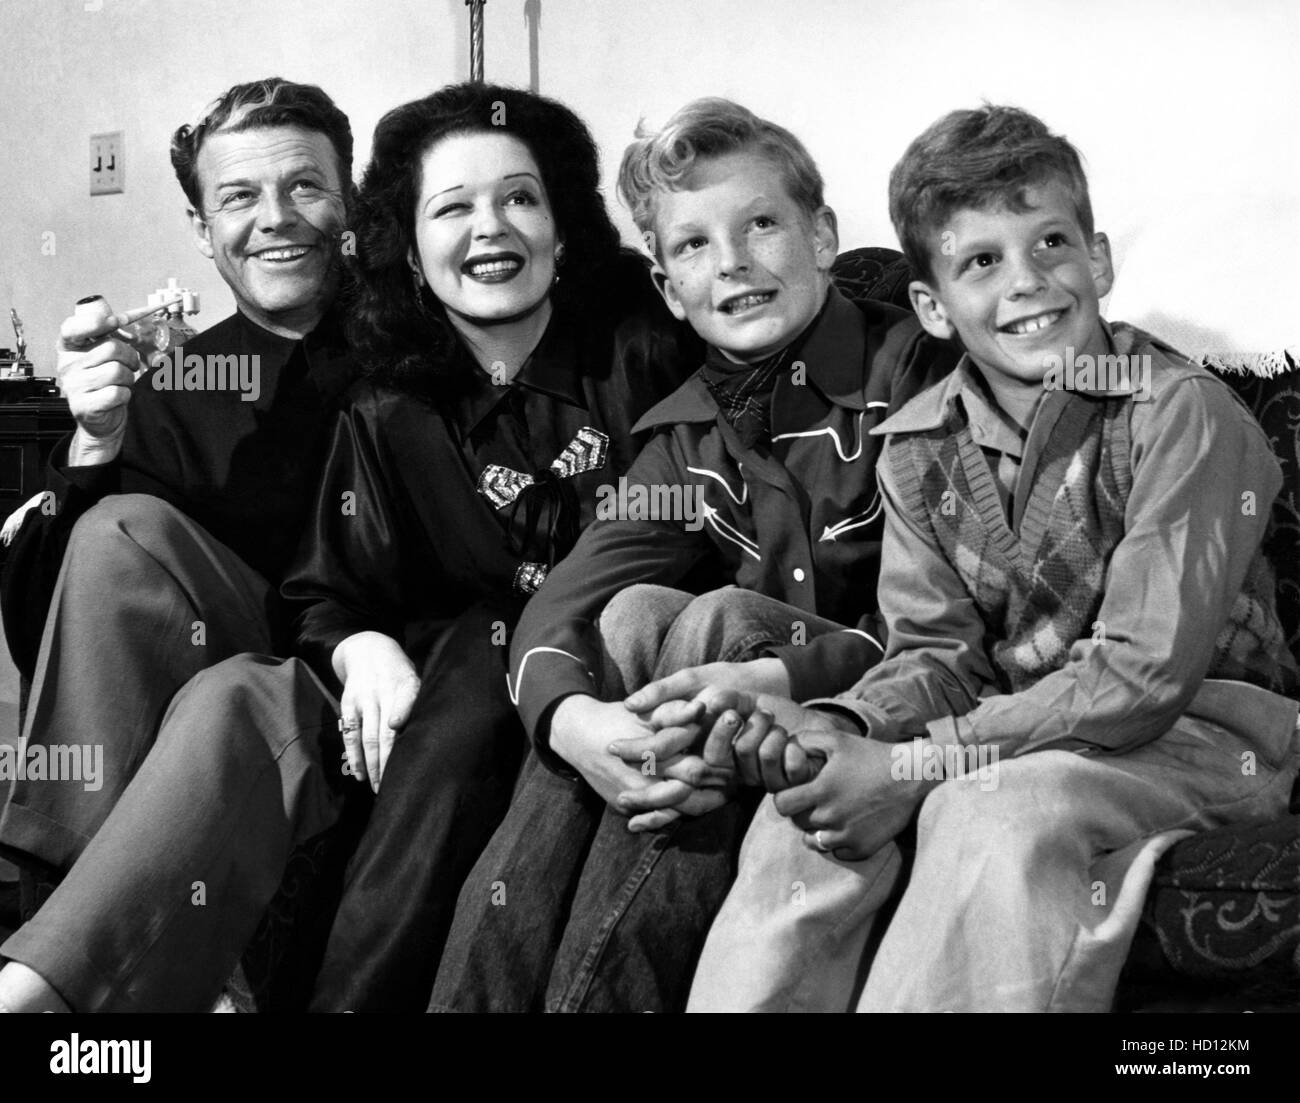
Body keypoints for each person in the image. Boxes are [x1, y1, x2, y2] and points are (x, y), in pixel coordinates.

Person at [687, 104, 1300, 1013]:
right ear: (932, 306)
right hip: (1019, 734)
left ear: (1097, 260)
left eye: (1050, 242)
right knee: (805, 816)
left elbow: (1143, 672)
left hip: (1203, 737)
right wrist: (849, 734)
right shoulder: (915, 447)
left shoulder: (1184, 413)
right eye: (982, 260)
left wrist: (917, 767)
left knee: (988, 810)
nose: (1028, 281)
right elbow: (935, 659)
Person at [429, 98, 957, 1013]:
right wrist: (579, 730)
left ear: (823, 235)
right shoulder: (684, 439)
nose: (735, 264)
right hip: (732, 739)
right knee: (628, 615)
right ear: (670, 289)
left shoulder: (912, 367)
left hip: (879, 706)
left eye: (761, 224)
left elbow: (948, 628)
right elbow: (559, 607)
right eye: (693, 247)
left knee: (713, 615)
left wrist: (785, 674)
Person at [285, 82, 700, 1012]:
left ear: (561, 224)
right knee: (479, 648)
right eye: (453, 207)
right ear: (407, 239)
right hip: (467, 684)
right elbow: (325, 592)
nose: (491, 228)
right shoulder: (382, 407)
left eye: (519, 197)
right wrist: (369, 651)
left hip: (639, 649)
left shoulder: (646, 350)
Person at [0, 77, 357, 1013]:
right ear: (203, 229)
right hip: (222, 674)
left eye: (305, 187)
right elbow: (58, 622)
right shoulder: (180, 376)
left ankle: (57, 981)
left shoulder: (414, 344)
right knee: (120, 528)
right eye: (238, 197)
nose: (275, 219)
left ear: (350, 200)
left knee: (229, 691)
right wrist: (91, 450)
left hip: (350, 679)